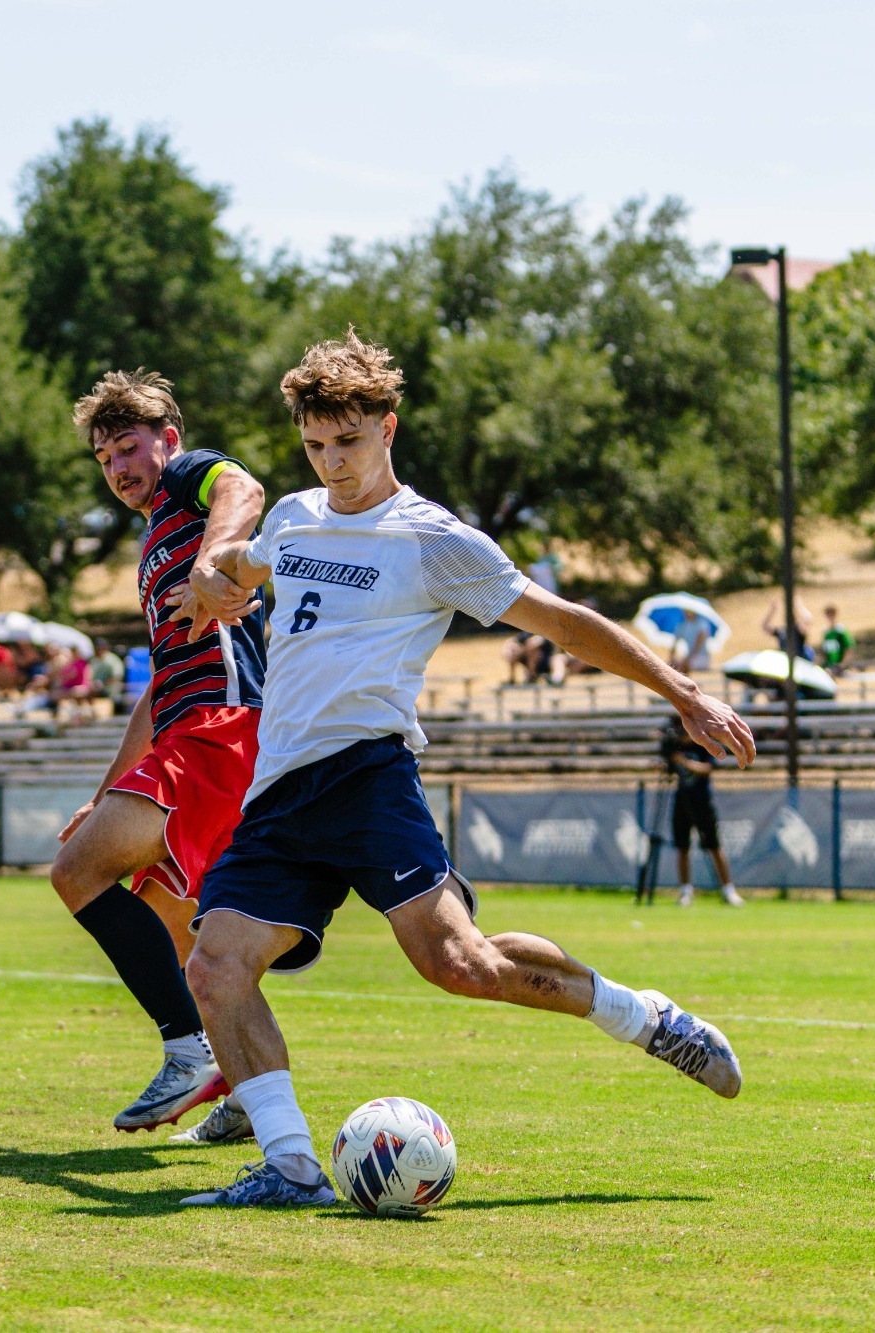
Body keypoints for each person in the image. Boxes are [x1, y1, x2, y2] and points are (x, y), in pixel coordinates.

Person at [178, 333, 755, 1208]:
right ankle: (292, 1169)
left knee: (462, 965)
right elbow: (238, 566)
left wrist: (683, 693)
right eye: (316, 445)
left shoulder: (433, 539)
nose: (334, 463)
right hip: (278, 791)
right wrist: (217, 577)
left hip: (367, 777)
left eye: (350, 441)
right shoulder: (293, 517)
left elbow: (562, 622)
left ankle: (644, 1016)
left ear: (388, 427)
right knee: (215, 967)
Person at [47, 369, 270, 1140]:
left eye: (129, 446)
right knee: (186, 941)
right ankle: (248, 1099)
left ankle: (187, 1053)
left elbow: (243, 487)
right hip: (188, 730)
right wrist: (104, 790)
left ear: (166, 441)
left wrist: (213, 565)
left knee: (77, 872)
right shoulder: (152, 543)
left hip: (221, 730)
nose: (119, 467)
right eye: (105, 457)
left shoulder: (187, 481)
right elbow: (156, 686)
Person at [665, 731, 741, 908]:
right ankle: (685, 891)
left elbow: (708, 768)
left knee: (714, 845)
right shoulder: (675, 745)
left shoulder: (703, 742)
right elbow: (669, 767)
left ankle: (728, 890)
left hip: (702, 801)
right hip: (681, 801)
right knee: (682, 846)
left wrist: (684, 762)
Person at [819, 605, 855, 675]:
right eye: (828, 615)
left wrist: (842, 665)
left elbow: (850, 648)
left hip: (839, 666)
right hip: (829, 665)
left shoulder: (840, 631)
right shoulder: (826, 632)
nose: (830, 618)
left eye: (831, 615)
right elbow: (824, 651)